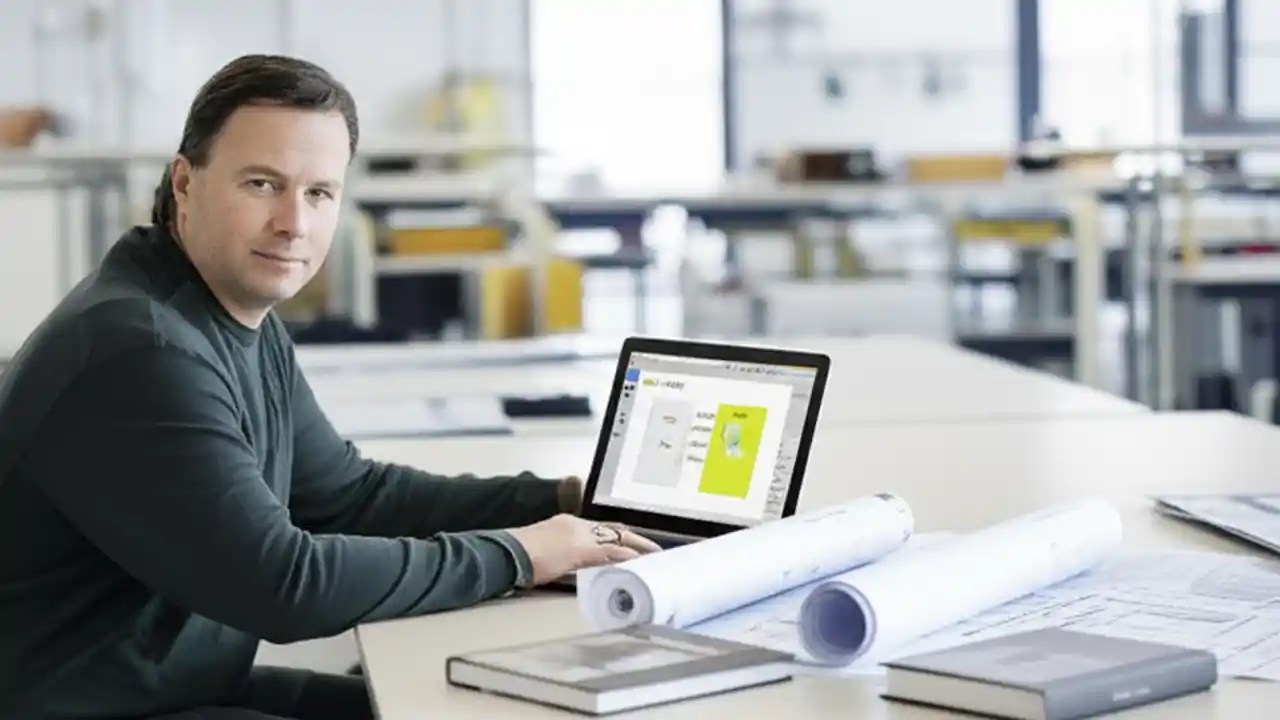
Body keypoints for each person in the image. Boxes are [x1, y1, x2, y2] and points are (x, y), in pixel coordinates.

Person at [0, 54, 659, 720]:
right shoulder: (142, 349)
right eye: (262, 184)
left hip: (165, 688)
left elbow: (347, 498)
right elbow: (285, 585)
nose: (294, 223)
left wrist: (561, 501)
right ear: (185, 184)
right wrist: (522, 553)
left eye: (320, 193)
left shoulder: (228, 312)